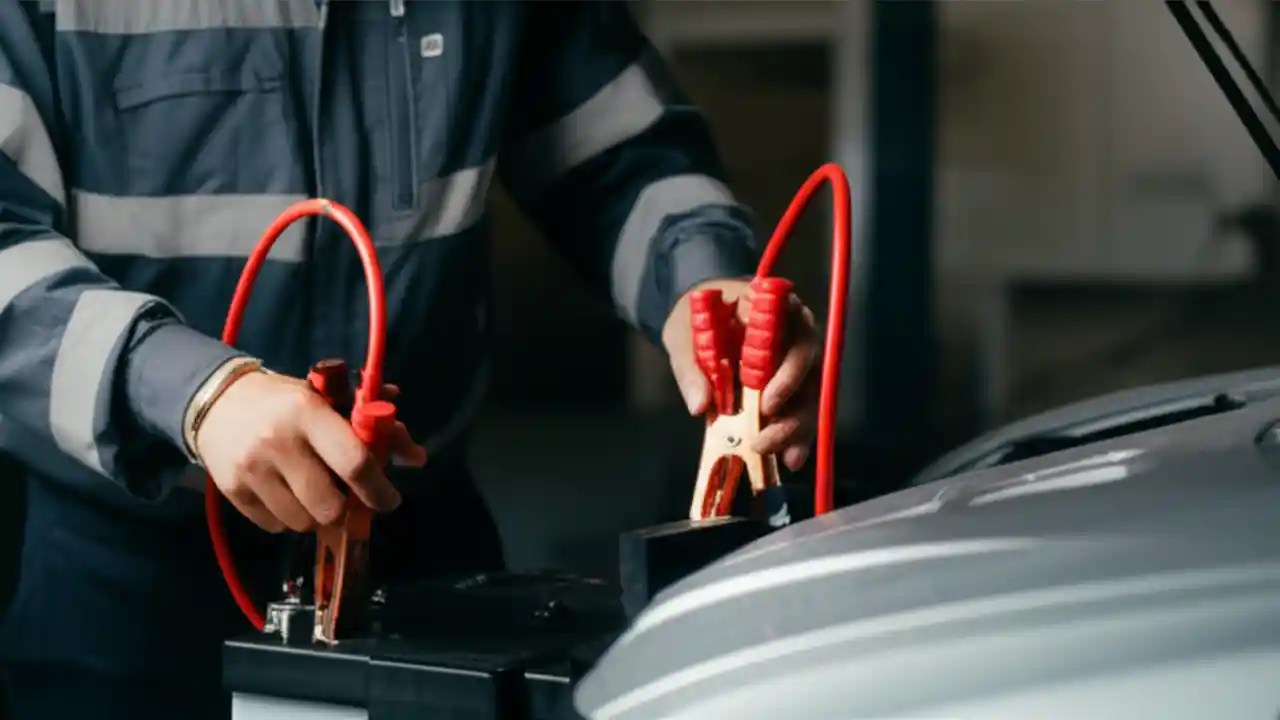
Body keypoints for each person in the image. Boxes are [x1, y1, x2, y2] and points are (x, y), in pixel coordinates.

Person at [0, 1, 821, 717]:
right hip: (123, 582)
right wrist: (191, 392)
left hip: (425, 546)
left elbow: (620, 152)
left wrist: (701, 286)